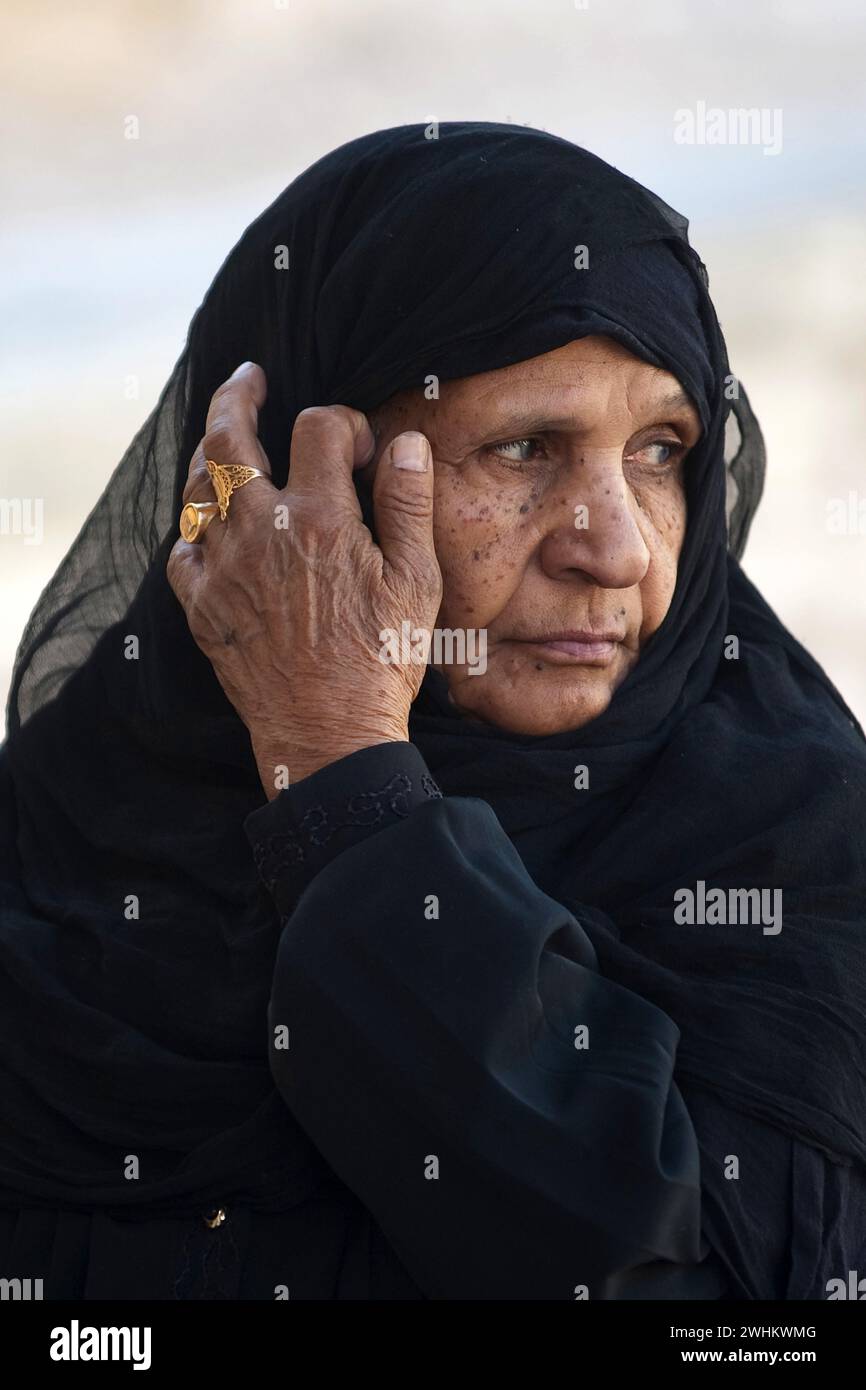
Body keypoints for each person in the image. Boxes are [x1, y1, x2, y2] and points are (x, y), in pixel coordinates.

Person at [1, 122, 864, 1301]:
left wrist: (344, 772)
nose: (615, 550)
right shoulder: (66, 852)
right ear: (300, 488)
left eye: (660, 450)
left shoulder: (792, 862)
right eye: (521, 448)